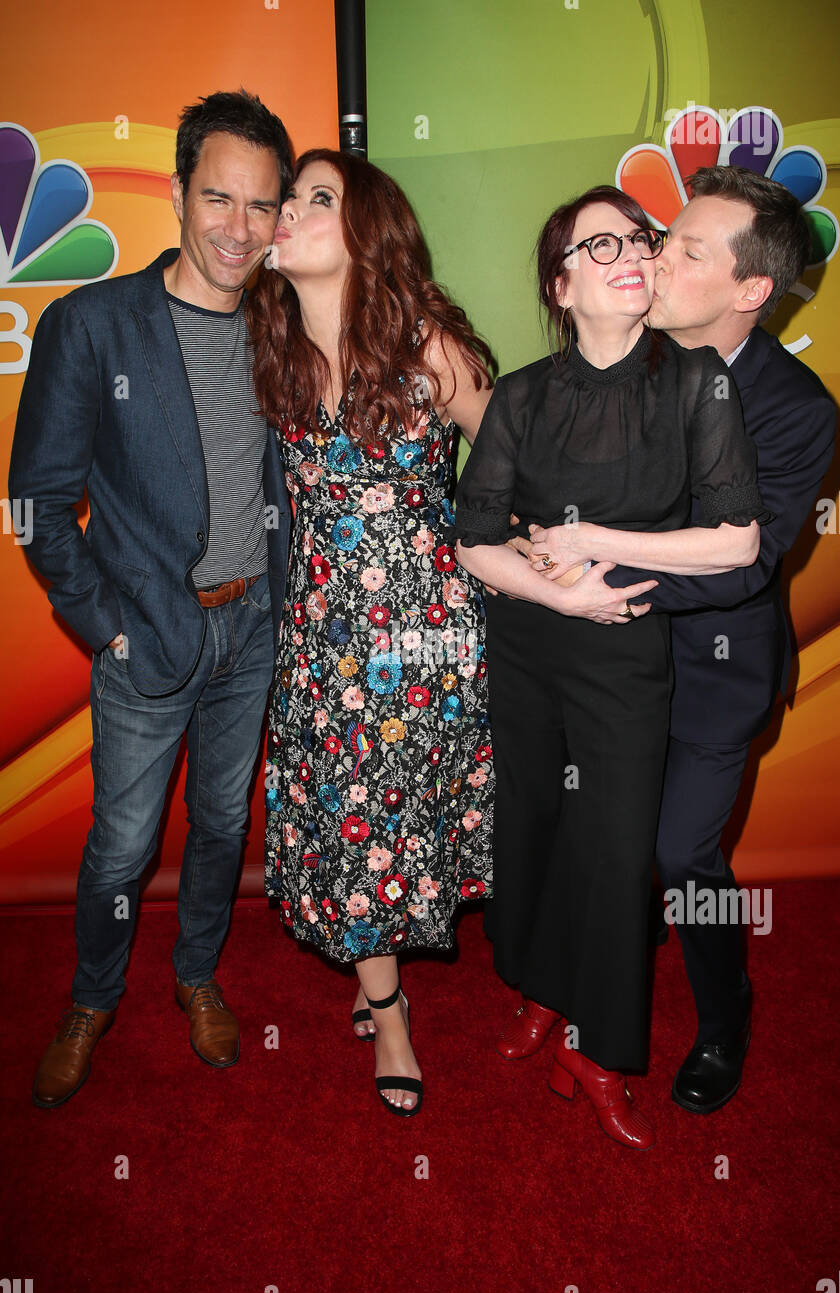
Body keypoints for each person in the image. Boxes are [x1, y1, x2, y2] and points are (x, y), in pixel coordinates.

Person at [454, 185, 767, 1149]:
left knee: (617, 850)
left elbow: (737, 542)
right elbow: (472, 541)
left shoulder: (696, 381)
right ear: (561, 282)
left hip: (625, 658)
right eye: (602, 245)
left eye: (640, 238)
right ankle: (546, 993)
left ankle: (595, 1051)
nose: (631, 253)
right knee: (540, 830)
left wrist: (600, 544)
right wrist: (563, 590)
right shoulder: (521, 394)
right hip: (534, 645)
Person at [9, 91, 293, 1108]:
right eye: (218, 196)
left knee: (222, 822)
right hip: (146, 637)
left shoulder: (282, 322)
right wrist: (108, 628)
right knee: (123, 844)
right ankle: (92, 996)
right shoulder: (93, 325)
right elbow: (36, 500)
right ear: (178, 193)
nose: (239, 227)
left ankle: (196, 973)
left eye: (262, 206)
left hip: (253, 628)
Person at [248, 149, 495, 1117]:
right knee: (349, 816)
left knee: (397, 812)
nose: (289, 213)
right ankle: (387, 1007)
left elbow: (513, 458)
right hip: (320, 630)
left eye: (319, 200)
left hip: (423, 627)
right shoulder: (270, 349)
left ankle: (383, 1002)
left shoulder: (427, 345)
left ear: (365, 232)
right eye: (292, 197)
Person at [598, 166, 836, 1113]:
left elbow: (743, 564)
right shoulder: (626, 360)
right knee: (614, 840)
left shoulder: (798, 410)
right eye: (667, 235)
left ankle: (725, 1014)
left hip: (714, 674)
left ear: (750, 292)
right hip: (615, 662)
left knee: (686, 856)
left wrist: (596, 577)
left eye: (688, 250)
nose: (656, 258)